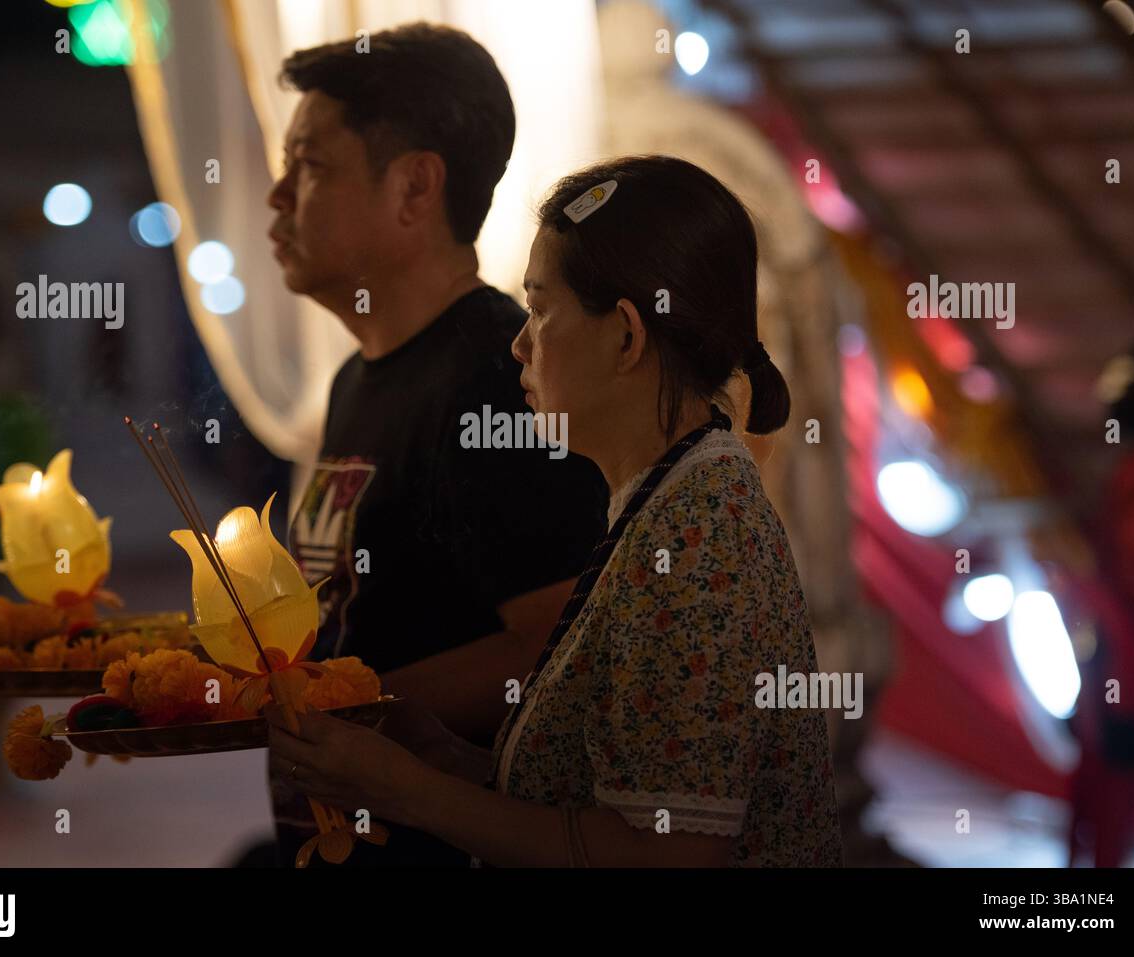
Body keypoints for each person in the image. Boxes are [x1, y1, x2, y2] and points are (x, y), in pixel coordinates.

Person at [267, 155, 845, 867]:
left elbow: (665, 856)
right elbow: (597, 799)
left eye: (540, 310)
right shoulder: (661, 500)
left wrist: (406, 791)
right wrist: (443, 756)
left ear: (627, 337)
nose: (518, 343)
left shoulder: (698, 536)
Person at [262, 23, 607, 867]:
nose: (277, 198)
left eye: (309, 166)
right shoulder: (358, 377)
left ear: (415, 188)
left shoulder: (502, 376)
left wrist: (334, 705)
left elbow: (560, 648)